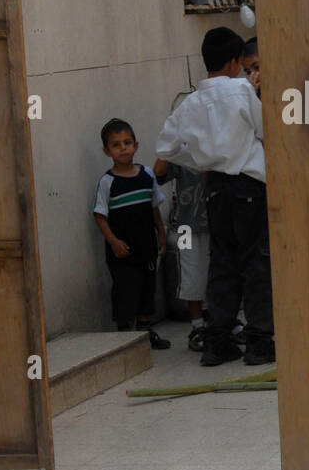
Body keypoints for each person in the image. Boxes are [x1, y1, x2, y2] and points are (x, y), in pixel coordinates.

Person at [156, 27, 274, 366]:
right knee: (256, 264)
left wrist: (199, 162)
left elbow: (165, 147)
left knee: (222, 264)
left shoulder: (191, 102)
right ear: (235, 63)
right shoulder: (240, 91)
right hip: (249, 186)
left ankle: (217, 341)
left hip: (215, 189)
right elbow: (265, 130)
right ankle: (259, 342)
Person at [92, 118, 170, 349]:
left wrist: (162, 235)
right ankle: (124, 337)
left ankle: (145, 332)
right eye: (116, 145)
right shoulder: (107, 182)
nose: (123, 148)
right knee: (125, 288)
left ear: (136, 145)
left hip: (146, 245)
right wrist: (114, 242)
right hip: (122, 251)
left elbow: (154, 207)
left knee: (147, 286)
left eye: (127, 142)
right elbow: (99, 215)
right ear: (107, 151)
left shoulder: (147, 175)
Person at [152, 156, 215, 351]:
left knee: (218, 274)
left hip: (216, 224)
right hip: (186, 228)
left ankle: (219, 322)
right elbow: (158, 172)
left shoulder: (218, 143)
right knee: (191, 275)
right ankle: (197, 326)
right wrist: (172, 142)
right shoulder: (182, 150)